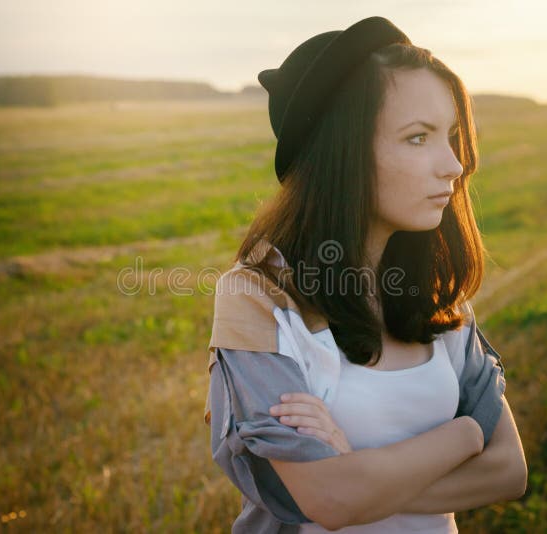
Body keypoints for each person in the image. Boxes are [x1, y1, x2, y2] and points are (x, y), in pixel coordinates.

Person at [204, 16, 527, 533]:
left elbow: (509, 471)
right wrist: (465, 436)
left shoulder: (438, 296)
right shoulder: (256, 298)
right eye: (418, 138)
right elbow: (330, 501)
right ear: (342, 154)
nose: (454, 165)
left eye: (451, 135)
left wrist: (359, 468)